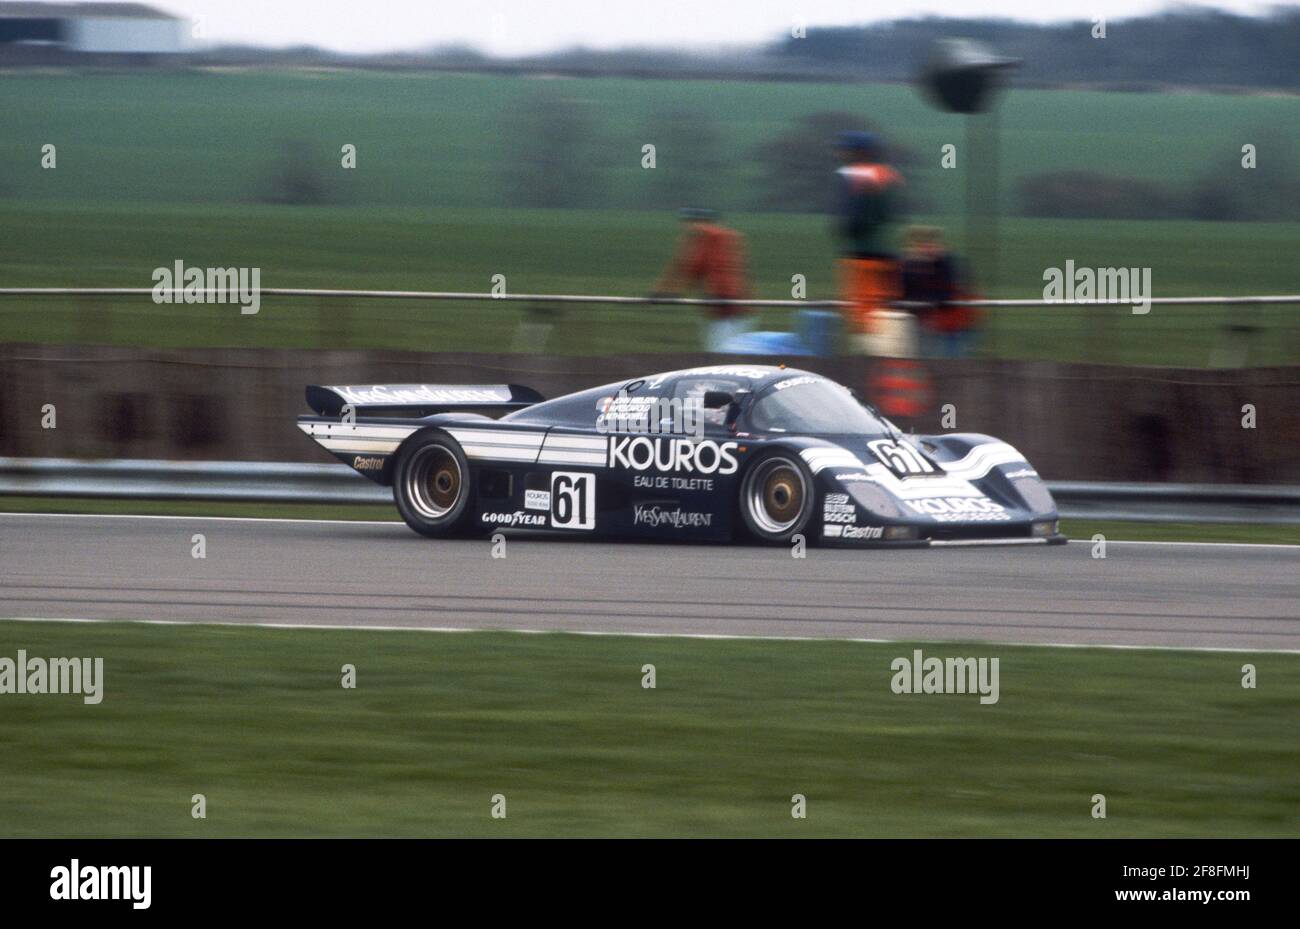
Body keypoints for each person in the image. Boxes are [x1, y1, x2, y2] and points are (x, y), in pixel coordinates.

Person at [833, 131, 905, 354]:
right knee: (885, 308)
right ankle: (887, 352)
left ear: (860, 152)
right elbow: (890, 214)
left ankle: (867, 357)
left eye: (847, 150)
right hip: (888, 254)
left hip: (862, 254)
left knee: (863, 312)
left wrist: (845, 228)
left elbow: (855, 218)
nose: (842, 153)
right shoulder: (888, 174)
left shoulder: (859, 175)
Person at [652, 208, 753, 352]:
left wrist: (665, 291)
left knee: (722, 350)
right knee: (729, 349)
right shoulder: (726, 237)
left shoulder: (709, 237)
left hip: (725, 304)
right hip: (735, 304)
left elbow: (691, 267)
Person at [900, 226, 979, 358]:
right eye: (919, 245)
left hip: (957, 324)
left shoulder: (947, 264)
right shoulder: (912, 266)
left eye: (929, 244)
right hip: (935, 323)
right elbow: (908, 291)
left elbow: (946, 294)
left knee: (950, 359)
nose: (924, 249)